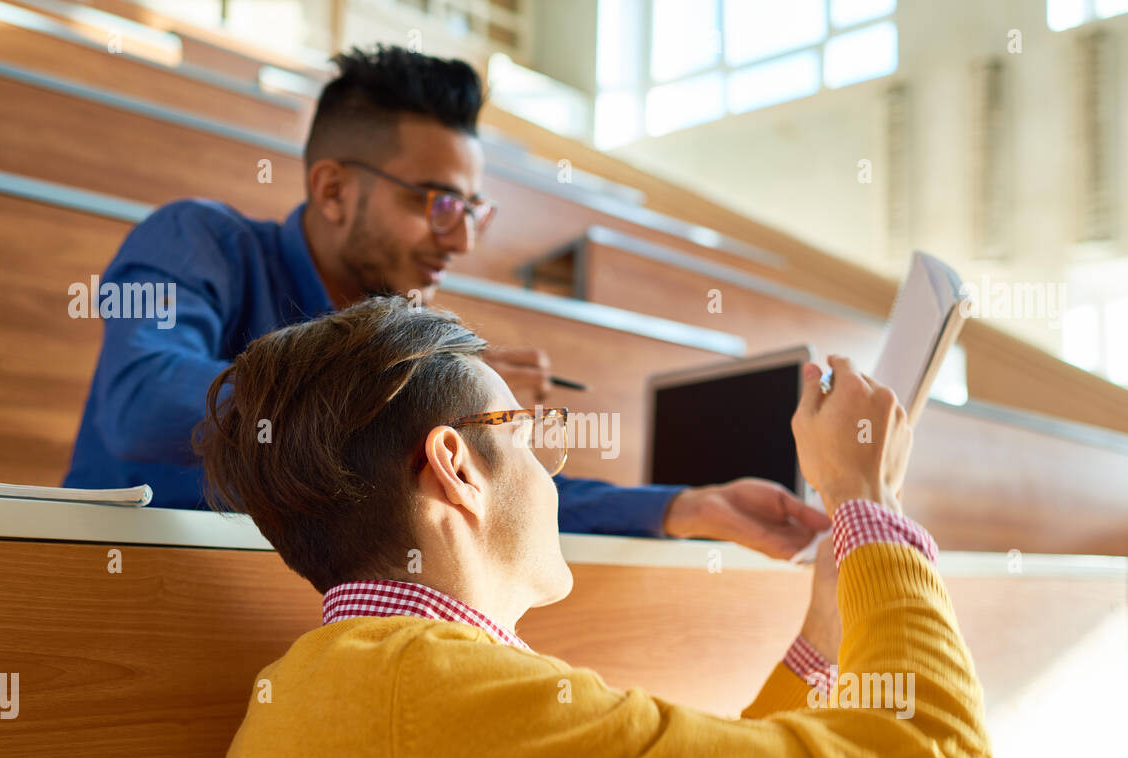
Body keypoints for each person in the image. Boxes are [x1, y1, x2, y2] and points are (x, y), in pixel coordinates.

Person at [198, 297, 998, 758]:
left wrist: (822, 642)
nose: (553, 475)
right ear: (454, 466)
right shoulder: (463, 703)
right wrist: (866, 501)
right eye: (529, 436)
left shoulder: (308, 691)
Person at [61, 44, 826, 558]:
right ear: (331, 189)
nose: (459, 241)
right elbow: (137, 405)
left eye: (472, 211)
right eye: (437, 204)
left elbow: (490, 489)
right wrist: (409, 390)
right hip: (114, 594)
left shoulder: (399, 343)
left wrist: (681, 508)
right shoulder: (199, 240)